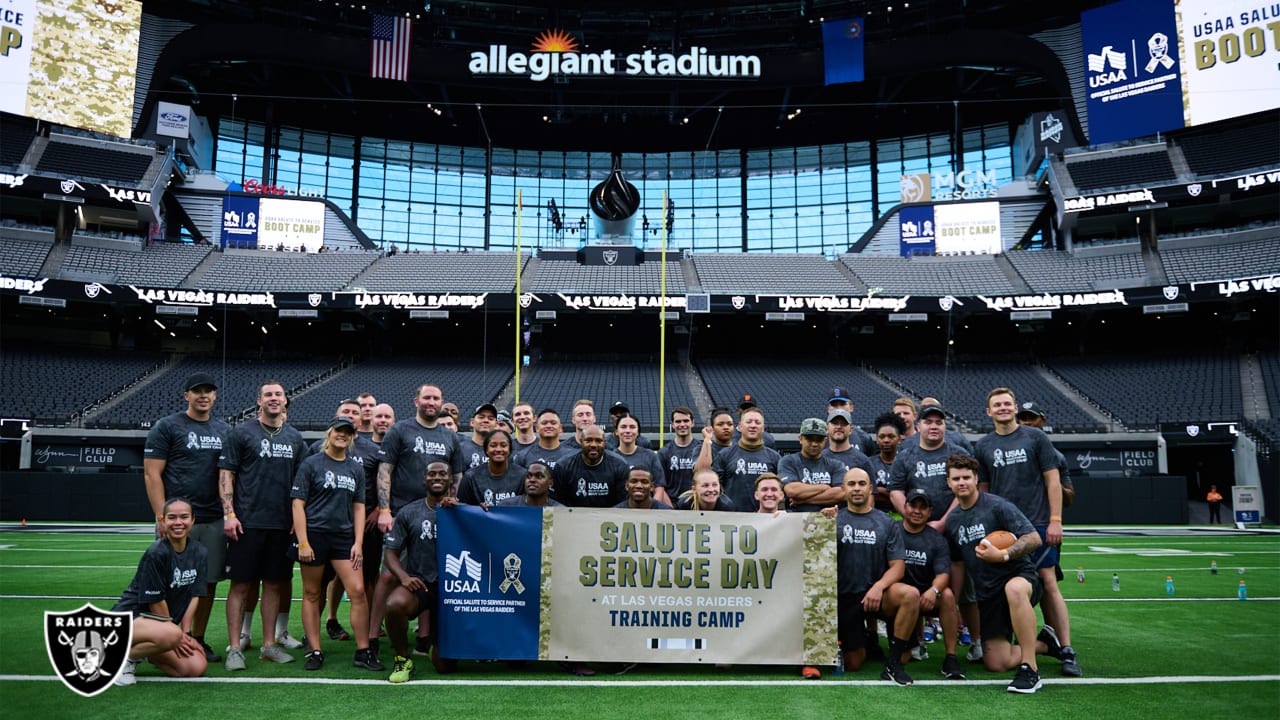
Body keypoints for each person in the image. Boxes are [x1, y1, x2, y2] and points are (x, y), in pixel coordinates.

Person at [975, 388, 1081, 678]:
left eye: (1007, 404)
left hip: (1037, 522)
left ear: (1015, 407)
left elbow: (1053, 481)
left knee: (1047, 582)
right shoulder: (983, 445)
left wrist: (1056, 520)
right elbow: (982, 490)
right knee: (1008, 584)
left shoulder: (1036, 438)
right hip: (1003, 528)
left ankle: (1067, 648)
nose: (1003, 408)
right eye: (997, 405)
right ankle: (1025, 642)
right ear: (988, 412)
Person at [219, 380, 310, 670]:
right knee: (240, 586)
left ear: (286, 401)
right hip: (246, 523)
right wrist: (229, 514)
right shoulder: (242, 433)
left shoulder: (295, 438)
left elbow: (302, 486)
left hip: (281, 526)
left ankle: (269, 644)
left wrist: (298, 522)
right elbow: (226, 474)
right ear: (259, 401)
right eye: (268, 395)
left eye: (278, 395)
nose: (273, 399)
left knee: (273, 585)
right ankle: (235, 647)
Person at [142, 372, 230, 663]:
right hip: (179, 520)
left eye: (208, 391)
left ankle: (197, 639)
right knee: (166, 582)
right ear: (186, 396)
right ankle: (163, 638)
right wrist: (161, 516)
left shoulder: (224, 430)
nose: (203, 395)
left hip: (213, 517)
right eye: (197, 391)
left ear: (215, 396)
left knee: (207, 583)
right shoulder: (167, 426)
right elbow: (152, 473)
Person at [943, 454, 1049, 694]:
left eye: (966, 477)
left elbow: (1033, 538)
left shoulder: (997, 505)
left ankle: (1030, 670)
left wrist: (1003, 555)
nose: (962, 483)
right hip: (988, 594)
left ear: (976, 479)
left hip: (1019, 576)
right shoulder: (953, 520)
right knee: (996, 663)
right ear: (948, 483)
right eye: (956, 478)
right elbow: (958, 565)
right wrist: (956, 604)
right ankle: (1043, 644)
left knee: (1014, 588)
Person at [290, 416, 382, 672]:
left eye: (348, 432)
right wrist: (303, 541)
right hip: (315, 535)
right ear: (329, 433)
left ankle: (363, 651)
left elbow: (359, 506)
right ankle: (315, 651)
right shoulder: (311, 464)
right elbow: (298, 503)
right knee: (311, 593)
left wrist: (358, 542)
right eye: (338, 431)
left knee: (358, 591)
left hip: (343, 537)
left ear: (353, 437)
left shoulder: (355, 468)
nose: (343, 435)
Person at [834, 468, 918, 686]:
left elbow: (898, 567)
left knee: (910, 594)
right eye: (851, 484)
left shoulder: (887, 523)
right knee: (853, 663)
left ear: (870, 488)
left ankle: (893, 664)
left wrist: (879, 586)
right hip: (846, 597)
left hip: (878, 594)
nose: (857, 488)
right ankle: (866, 639)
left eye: (862, 484)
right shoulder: (833, 520)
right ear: (843, 490)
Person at [113, 497, 209, 686]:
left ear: (193, 520)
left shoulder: (200, 552)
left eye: (184, 517)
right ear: (163, 521)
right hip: (130, 619)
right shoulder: (157, 552)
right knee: (171, 636)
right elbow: (156, 602)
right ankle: (123, 659)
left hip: (161, 628)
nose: (178, 523)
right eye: (172, 517)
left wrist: (186, 633)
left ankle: (145, 653)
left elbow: (195, 594)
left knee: (195, 667)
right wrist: (176, 635)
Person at [382, 461, 452, 681]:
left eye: (443, 474)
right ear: (424, 479)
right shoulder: (409, 512)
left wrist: (466, 510)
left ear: (451, 479)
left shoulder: (461, 510)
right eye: (432, 474)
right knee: (394, 605)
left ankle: (445, 645)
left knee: (443, 666)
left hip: (453, 589)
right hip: (421, 582)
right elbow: (390, 552)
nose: (437, 477)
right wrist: (403, 577)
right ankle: (403, 659)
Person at [899, 489, 965, 679]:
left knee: (947, 595)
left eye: (923, 508)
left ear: (930, 512)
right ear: (905, 507)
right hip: (899, 598)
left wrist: (933, 590)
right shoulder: (892, 531)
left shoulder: (936, 539)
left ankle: (951, 657)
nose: (917, 511)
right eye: (913, 506)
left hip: (926, 596)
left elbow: (943, 574)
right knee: (903, 658)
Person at [888, 402, 969, 527]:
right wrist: (915, 520)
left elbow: (968, 491)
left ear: (945, 426)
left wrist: (942, 524)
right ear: (919, 426)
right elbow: (896, 492)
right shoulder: (904, 457)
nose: (934, 427)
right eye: (928, 422)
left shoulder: (959, 454)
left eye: (939, 423)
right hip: (917, 529)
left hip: (956, 525)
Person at [698, 406, 780, 511]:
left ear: (763, 428)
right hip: (733, 520)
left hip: (764, 521)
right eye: (749, 422)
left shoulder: (774, 457)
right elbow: (715, 489)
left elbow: (780, 492)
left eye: (757, 422)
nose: (753, 425)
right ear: (740, 426)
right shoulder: (725, 455)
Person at [778, 418, 849, 513]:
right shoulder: (789, 461)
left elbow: (842, 493)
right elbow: (792, 490)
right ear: (800, 439)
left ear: (825, 440)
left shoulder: (835, 464)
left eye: (819, 440)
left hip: (827, 519)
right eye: (809, 439)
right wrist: (825, 487)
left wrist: (803, 499)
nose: (814, 444)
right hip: (795, 519)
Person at [552, 425, 630, 507]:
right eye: (588, 440)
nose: (593, 445)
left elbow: (623, 503)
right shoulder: (564, 465)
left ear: (604, 443)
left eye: (598, 441)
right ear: (581, 441)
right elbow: (556, 501)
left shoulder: (620, 465)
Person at [457, 429, 525, 506]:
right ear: (486, 450)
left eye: (503, 445)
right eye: (493, 445)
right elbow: (462, 508)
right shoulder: (470, 477)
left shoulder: (523, 476)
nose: (498, 449)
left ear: (510, 449)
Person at [612, 415, 667, 503]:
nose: (628, 431)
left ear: (638, 432)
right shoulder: (610, 457)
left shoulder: (650, 456)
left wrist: (653, 509)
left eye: (632, 427)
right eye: (623, 427)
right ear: (616, 432)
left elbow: (659, 487)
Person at [658, 406, 701, 506]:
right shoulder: (664, 452)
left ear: (692, 423)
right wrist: (670, 508)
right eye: (678, 421)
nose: (682, 424)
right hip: (672, 504)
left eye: (686, 421)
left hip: (696, 504)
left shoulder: (701, 450)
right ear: (672, 424)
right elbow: (659, 485)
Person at [512, 408, 577, 470]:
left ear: (560, 429)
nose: (548, 426)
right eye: (544, 423)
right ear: (537, 428)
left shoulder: (572, 456)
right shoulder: (523, 456)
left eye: (553, 423)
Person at [869, 413, 908, 513]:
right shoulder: (868, 463)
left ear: (899, 439)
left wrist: (880, 490)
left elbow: (908, 496)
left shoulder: (906, 462)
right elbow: (866, 493)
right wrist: (893, 493)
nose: (886, 440)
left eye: (891, 436)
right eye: (882, 437)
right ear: (877, 440)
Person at [823, 409, 874, 480]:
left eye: (843, 423)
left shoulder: (862, 460)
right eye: (835, 423)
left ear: (850, 430)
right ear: (827, 428)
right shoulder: (818, 458)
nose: (839, 427)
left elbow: (871, 490)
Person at [827, 387, 876, 455]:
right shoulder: (820, 438)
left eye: (842, 404)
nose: (838, 408)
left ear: (851, 408)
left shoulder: (863, 438)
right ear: (828, 409)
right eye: (834, 405)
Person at [495, 462, 563, 507]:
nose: (532, 480)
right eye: (528, 476)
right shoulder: (507, 506)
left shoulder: (558, 510)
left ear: (550, 483)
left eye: (539, 476)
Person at [459, 403, 497, 471]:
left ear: (496, 425)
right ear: (472, 422)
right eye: (481, 417)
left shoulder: (500, 451)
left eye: (490, 418)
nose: (486, 420)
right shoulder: (460, 449)